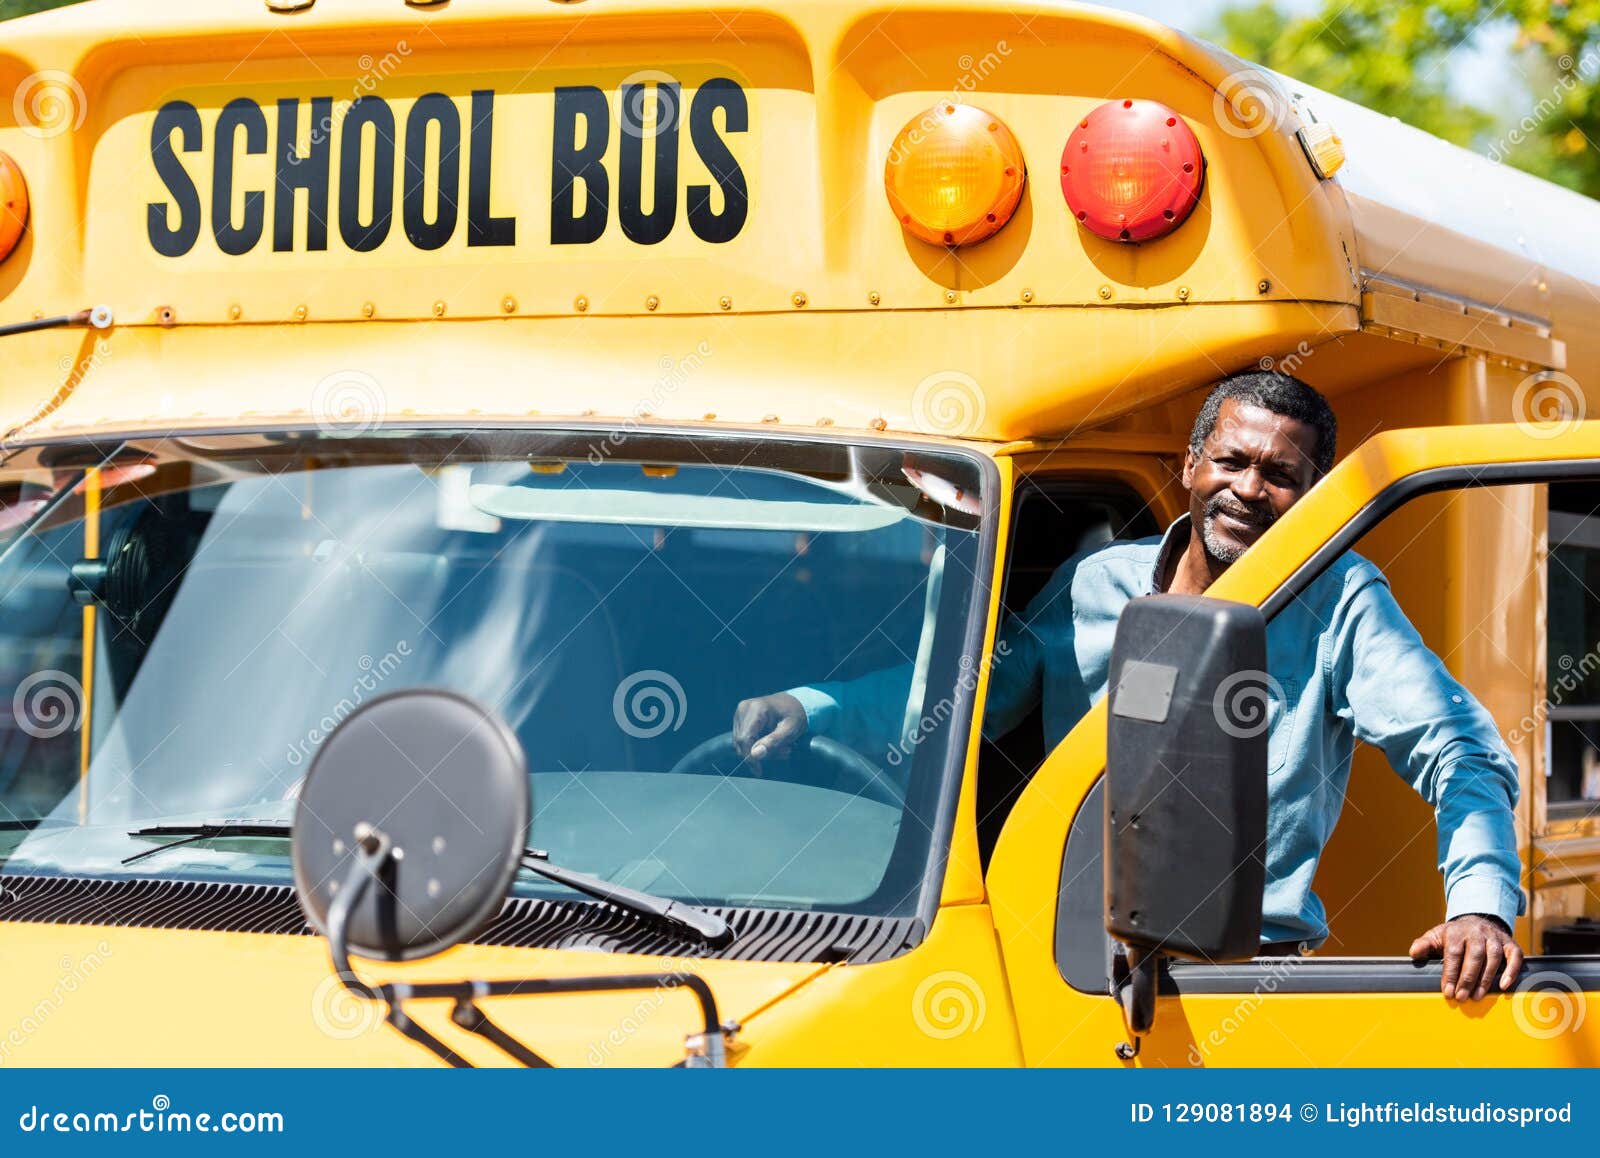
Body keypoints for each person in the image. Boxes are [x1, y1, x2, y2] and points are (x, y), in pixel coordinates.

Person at [732, 370, 1526, 1001]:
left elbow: (1459, 748)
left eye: (1281, 475)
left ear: (1313, 495)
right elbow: (968, 699)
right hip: (1066, 966)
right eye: (1233, 461)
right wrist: (814, 708)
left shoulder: (1341, 597)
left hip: (1245, 977)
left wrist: (1480, 904)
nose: (1250, 489)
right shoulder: (1095, 584)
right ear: (1191, 465)